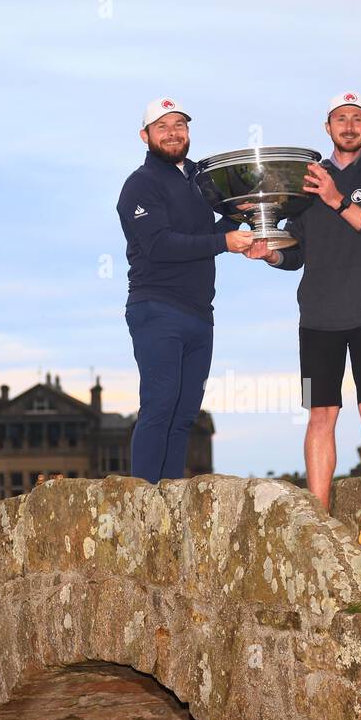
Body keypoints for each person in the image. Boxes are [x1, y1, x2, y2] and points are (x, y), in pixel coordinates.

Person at [252, 91, 361, 549]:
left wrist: (337, 198)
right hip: (317, 318)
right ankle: (320, 523)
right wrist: (271, 255)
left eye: (357, 118)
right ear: (327, 128)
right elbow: (297, 255)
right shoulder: (305, 183)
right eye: (340, 118)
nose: (348, 125)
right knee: (320, 414)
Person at [116, 97, 254, 484]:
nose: (173, 132)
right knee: (159, 408)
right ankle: (143, 503)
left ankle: (171, 503)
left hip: (199, 313)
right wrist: (225, 241)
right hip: (156, 307)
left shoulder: (199, 177)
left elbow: (204, 235)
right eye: (162, 126)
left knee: (184, 415)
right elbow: (160, 245)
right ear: (145, 136)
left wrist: (242, 219)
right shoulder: (139, 185)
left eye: (179, 124)